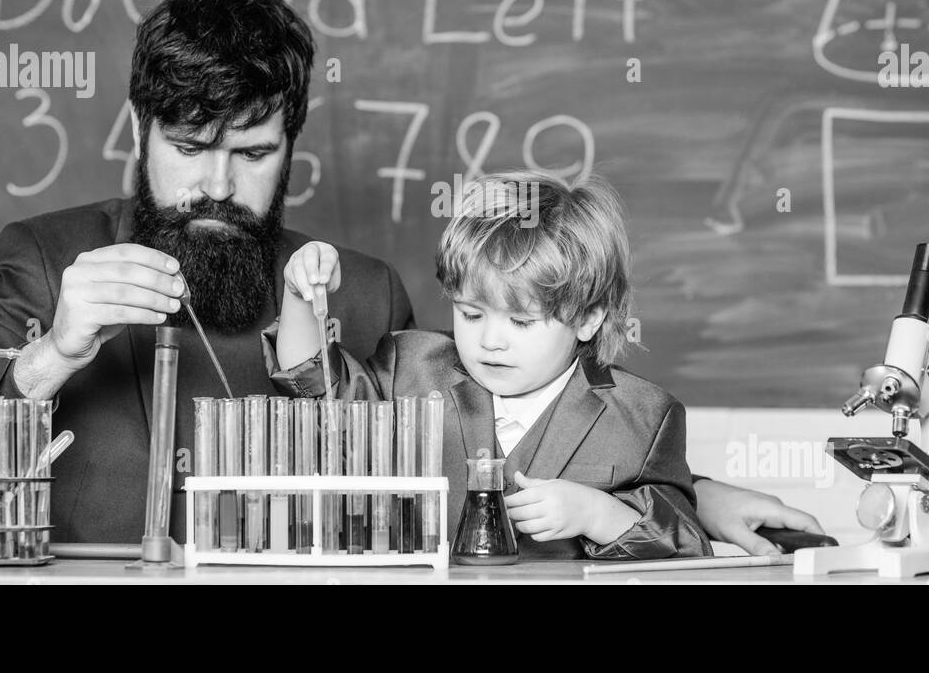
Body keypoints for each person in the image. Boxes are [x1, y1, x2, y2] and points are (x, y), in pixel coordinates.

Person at [0, 0, 415, 544]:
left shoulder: (368, 295)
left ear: (290, 145)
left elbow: (423, 512)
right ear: (139, 129)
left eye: (253, 154)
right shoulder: (47, 260)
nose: (219, 186)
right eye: (188, 147)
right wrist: (50, 357)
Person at [272, 171, 749, 558]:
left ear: (587, 318)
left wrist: (597, 514)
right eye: (471, 313)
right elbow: (315, 387)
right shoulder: (410, 368)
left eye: (521, 322)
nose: (490, 341)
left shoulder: (644, 415)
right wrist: (298, 296)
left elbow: (686, 541)